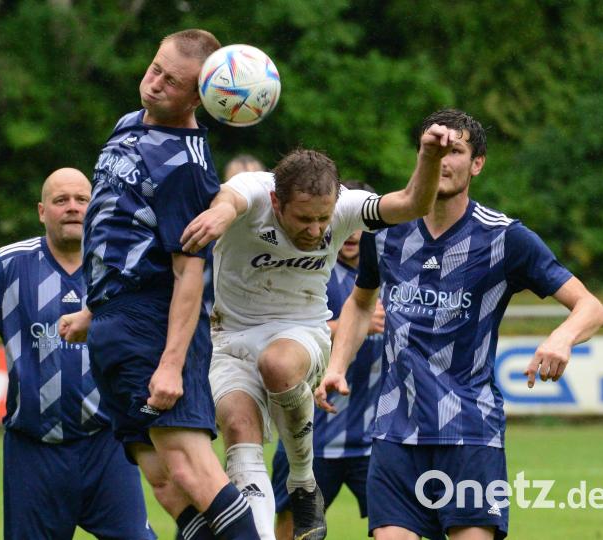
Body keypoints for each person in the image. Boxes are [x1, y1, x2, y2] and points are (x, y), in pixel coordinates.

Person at [315, 109, 603, 540]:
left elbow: (590, 306)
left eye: (456, 151)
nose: (444, 160)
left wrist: (562, 338)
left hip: (469, 432)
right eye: (433, 150)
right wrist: (337, 366)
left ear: (477, 164)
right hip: (395, 432)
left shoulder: (505, 238)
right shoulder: (384, 232)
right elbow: (361, 304)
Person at [179, 124, 463, 539]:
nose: (315, 231)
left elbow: (409, 204)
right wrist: (221, 213)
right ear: (277, 202)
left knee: (276, 364)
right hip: (229, 339)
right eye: (303, 219)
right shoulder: (254, 192)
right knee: (240, 436)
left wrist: (429, 158)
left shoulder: (347, 205)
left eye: (322, 220)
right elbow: (230, 197)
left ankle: (302, 480)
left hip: (302, 330)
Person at [60, 29, 262, 539]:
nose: (153, 84)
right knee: (164, 481)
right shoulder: (127, 125)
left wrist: (171, 363)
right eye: (154, 69)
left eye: (171, 83)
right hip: (115, 321)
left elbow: (188, 271)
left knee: (189, 467)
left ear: (200, 97)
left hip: (155, 326)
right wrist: (96, 308)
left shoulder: (186, 166)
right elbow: (116, 224)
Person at [0, 168, 154, 540]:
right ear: (41, 211)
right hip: (34, 452)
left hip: (106, 445)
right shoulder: (10, 264)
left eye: (82, 200)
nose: (72, 208)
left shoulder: (119, 264)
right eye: (60, 200)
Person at [270, 181, 386, 540]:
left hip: (376, 437)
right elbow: (276, 335)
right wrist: (347, 326)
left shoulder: (392, 273)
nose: (350, 235)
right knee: (293, 527)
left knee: (398, 526)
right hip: (310, 433)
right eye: (342, 222)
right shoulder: (302, 271)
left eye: (358, 225)